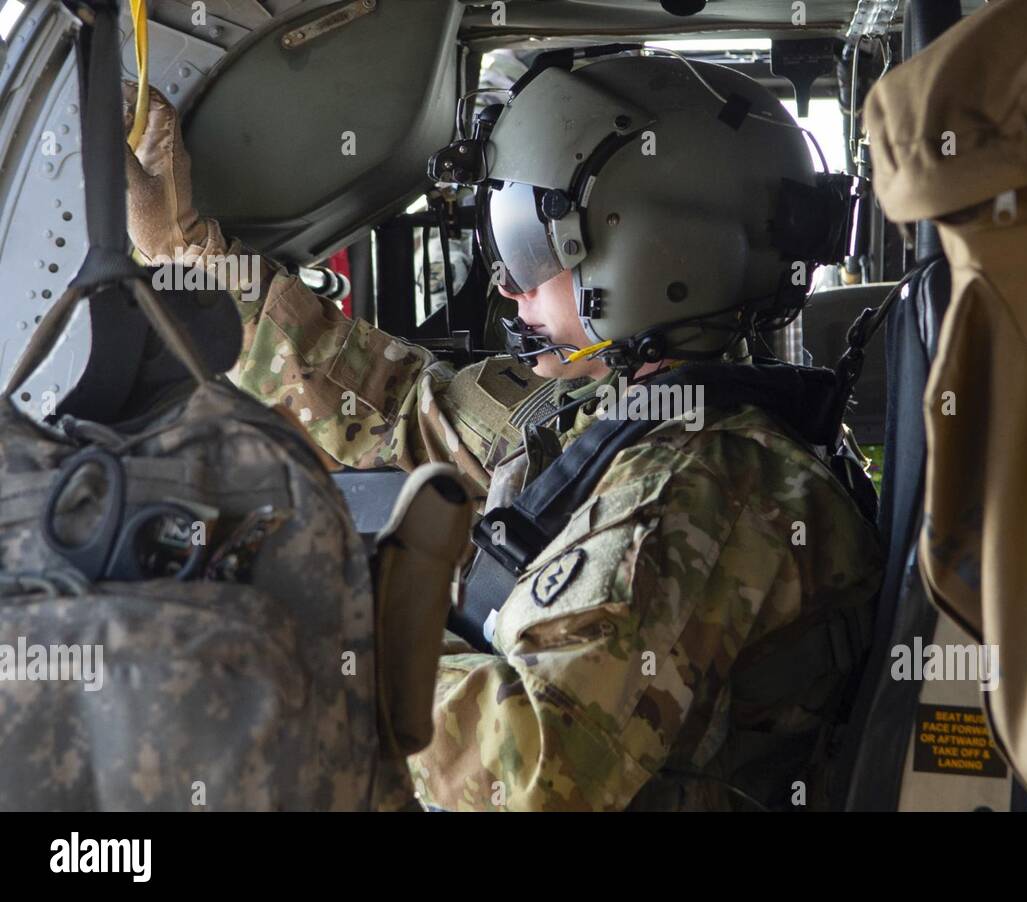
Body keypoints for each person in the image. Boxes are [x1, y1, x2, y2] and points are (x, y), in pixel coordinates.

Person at [123, 49, 884, 811]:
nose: (508, 283)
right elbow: (393, 408)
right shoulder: (627, 419)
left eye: (530, 236)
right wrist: (183, 249)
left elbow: (531, 770)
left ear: (656, 252)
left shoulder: (698, 488)